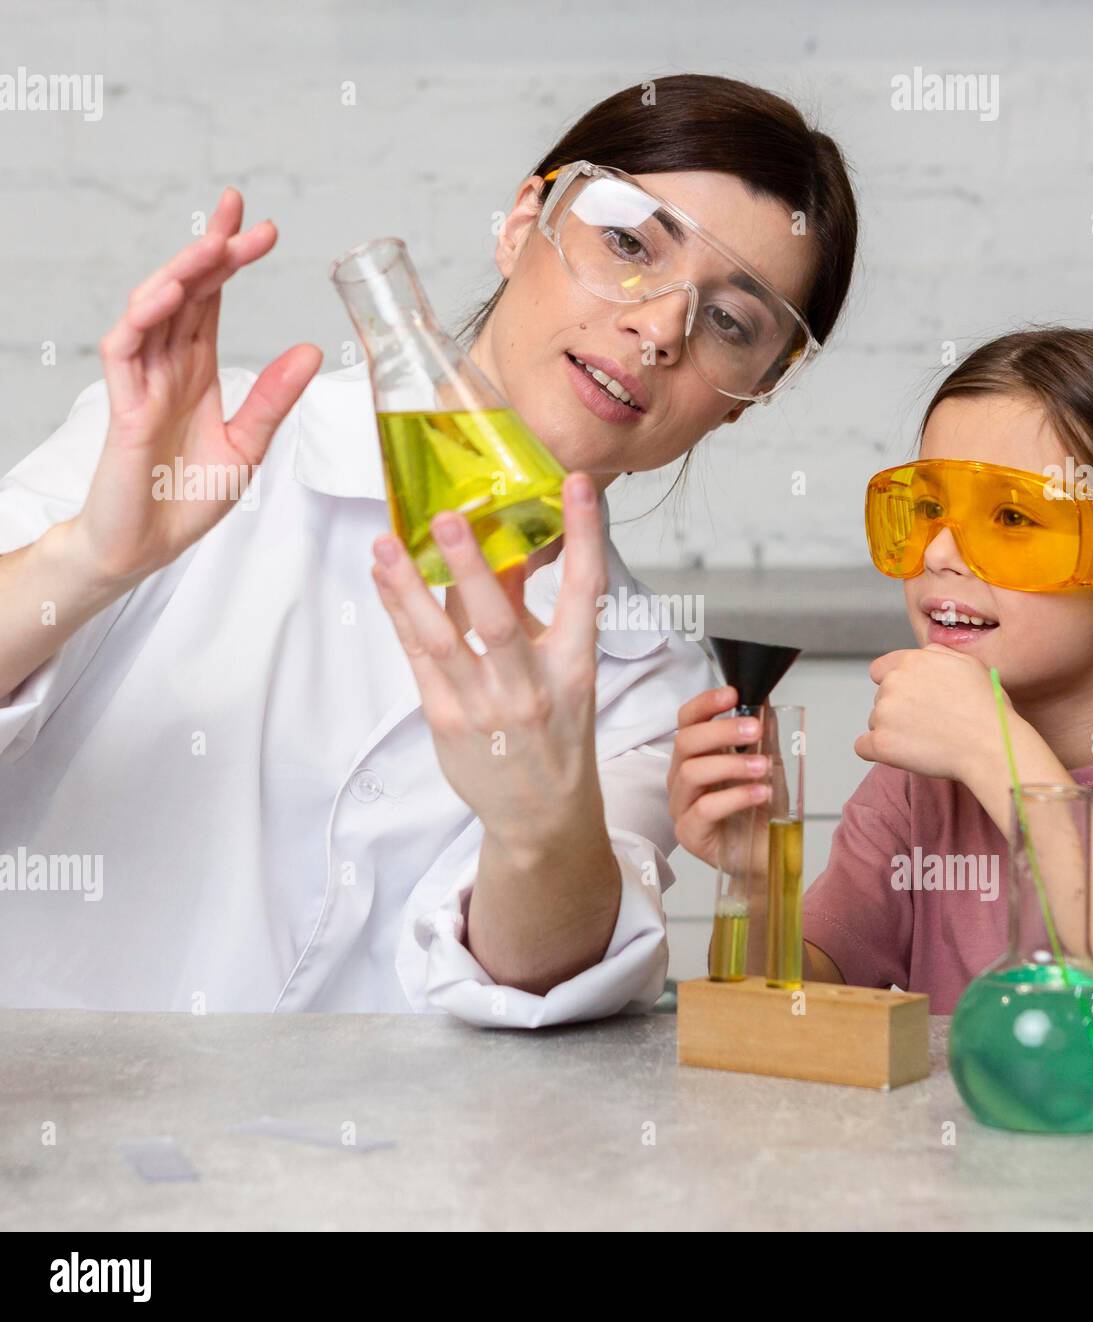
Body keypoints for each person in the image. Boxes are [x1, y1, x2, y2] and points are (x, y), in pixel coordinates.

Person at [0, 74, 859, 1022]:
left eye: (732, 322)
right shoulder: (199, 446)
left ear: (752, 398)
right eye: (627, 243)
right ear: (522, 219)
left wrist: (539, 823)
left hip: (372, 1168)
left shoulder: (651, 681)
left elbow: (537, 977)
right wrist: (88, 560)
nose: (658, 329)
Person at [670, 328, 1093, 1046]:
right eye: (931, 508)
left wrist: (992, 752)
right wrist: (755, 884)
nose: (939, 552)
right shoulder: (920, 789)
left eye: (1010, 517)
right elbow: (783, 1019)